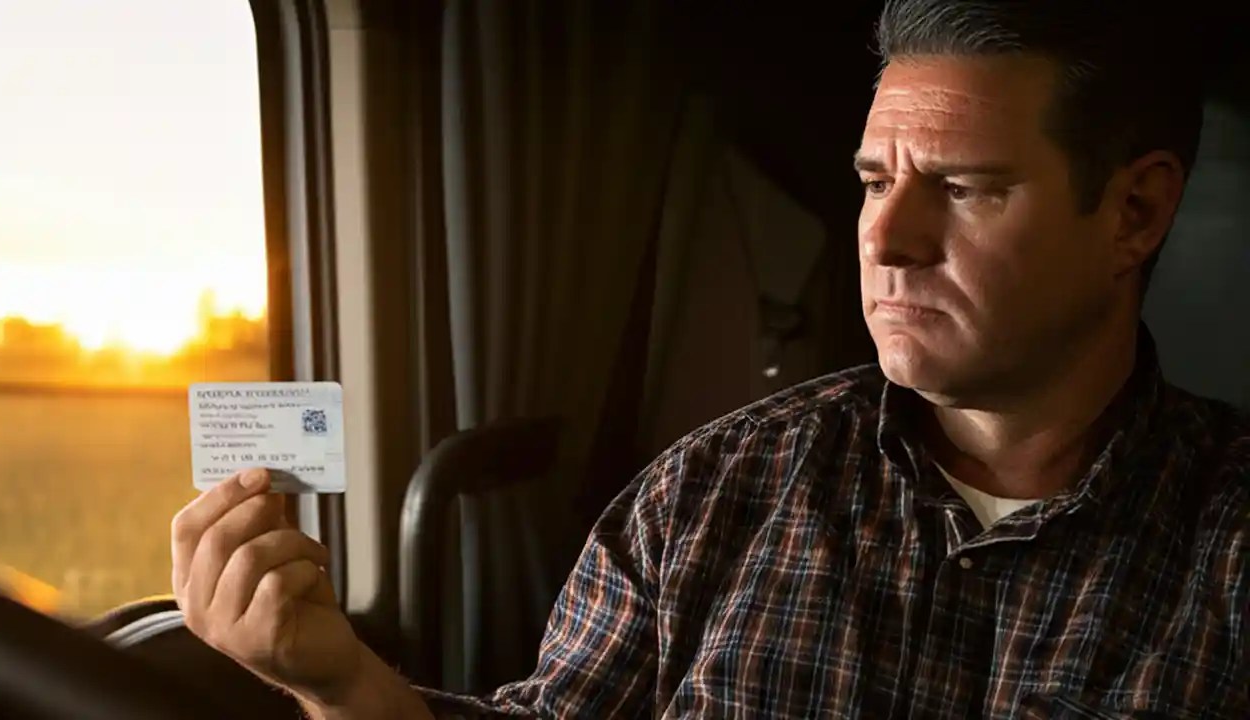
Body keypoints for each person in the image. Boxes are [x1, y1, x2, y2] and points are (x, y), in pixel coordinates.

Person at [170, 1, 1249, 717]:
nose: (884, 238)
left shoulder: (1227, 543)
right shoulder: (706, 497)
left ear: (1134, 212)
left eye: (963, 188)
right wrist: (338, 683)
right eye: (876, 181)